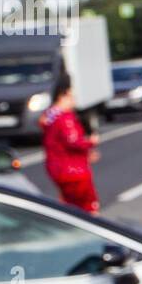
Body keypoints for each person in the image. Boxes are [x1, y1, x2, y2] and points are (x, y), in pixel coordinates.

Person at [40, 73, 100, 214]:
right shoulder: (65, 118)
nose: (74, 101)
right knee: (88, 208)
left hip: (57, 168)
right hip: (73, 170)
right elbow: (73, 141)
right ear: (64, 95)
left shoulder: (50, 114)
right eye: (72, 97)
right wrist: (90, 142)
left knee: (70, 206)